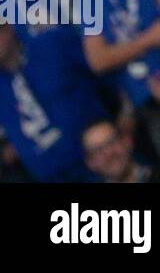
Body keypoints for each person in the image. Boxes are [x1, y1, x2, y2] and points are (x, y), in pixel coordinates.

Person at [0, 20, 109, 182]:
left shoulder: (53, 43)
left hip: (102, 163)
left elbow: (106, 76)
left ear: (8, 27)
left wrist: (126, 115)